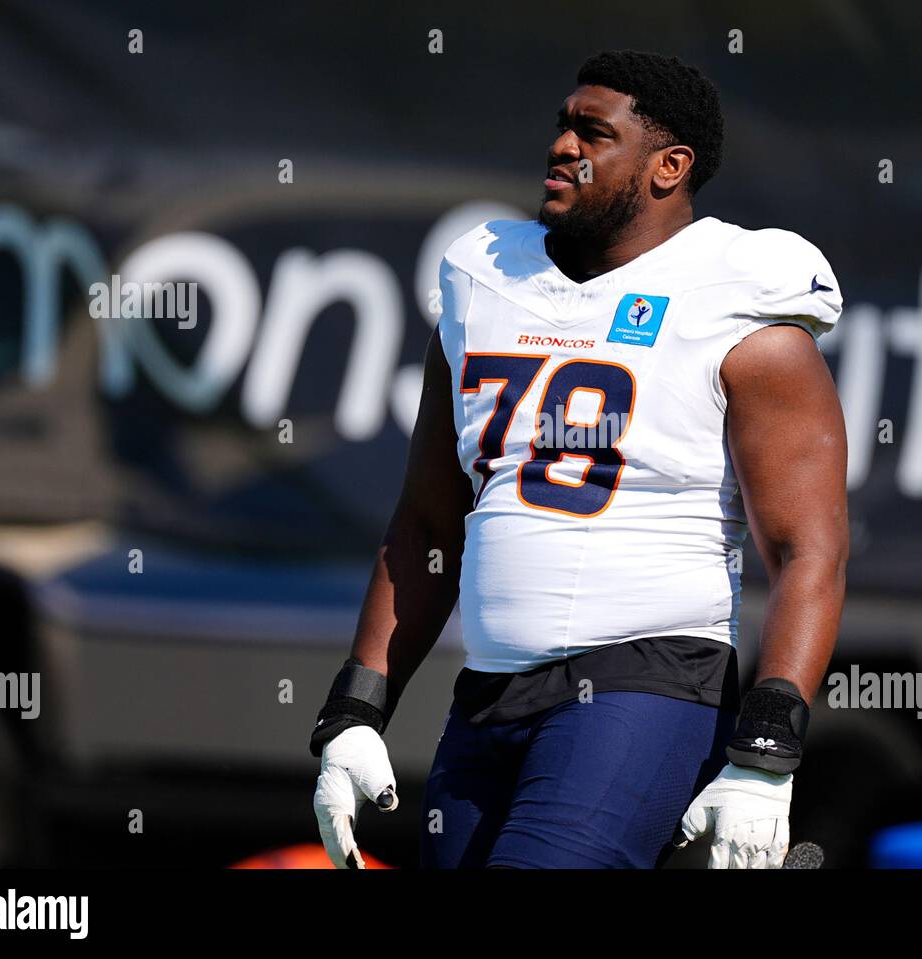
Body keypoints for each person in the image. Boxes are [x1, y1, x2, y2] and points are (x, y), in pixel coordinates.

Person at [311, 49, 848, 869]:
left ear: (670, 166)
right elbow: (427, 521)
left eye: (593, 132)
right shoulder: (483, 282)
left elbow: (808, 548)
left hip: (649, 681)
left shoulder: (743, 306)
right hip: (488, 689)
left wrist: (767, 747)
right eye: (563, 123)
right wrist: (355, 708)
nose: (563, 145)